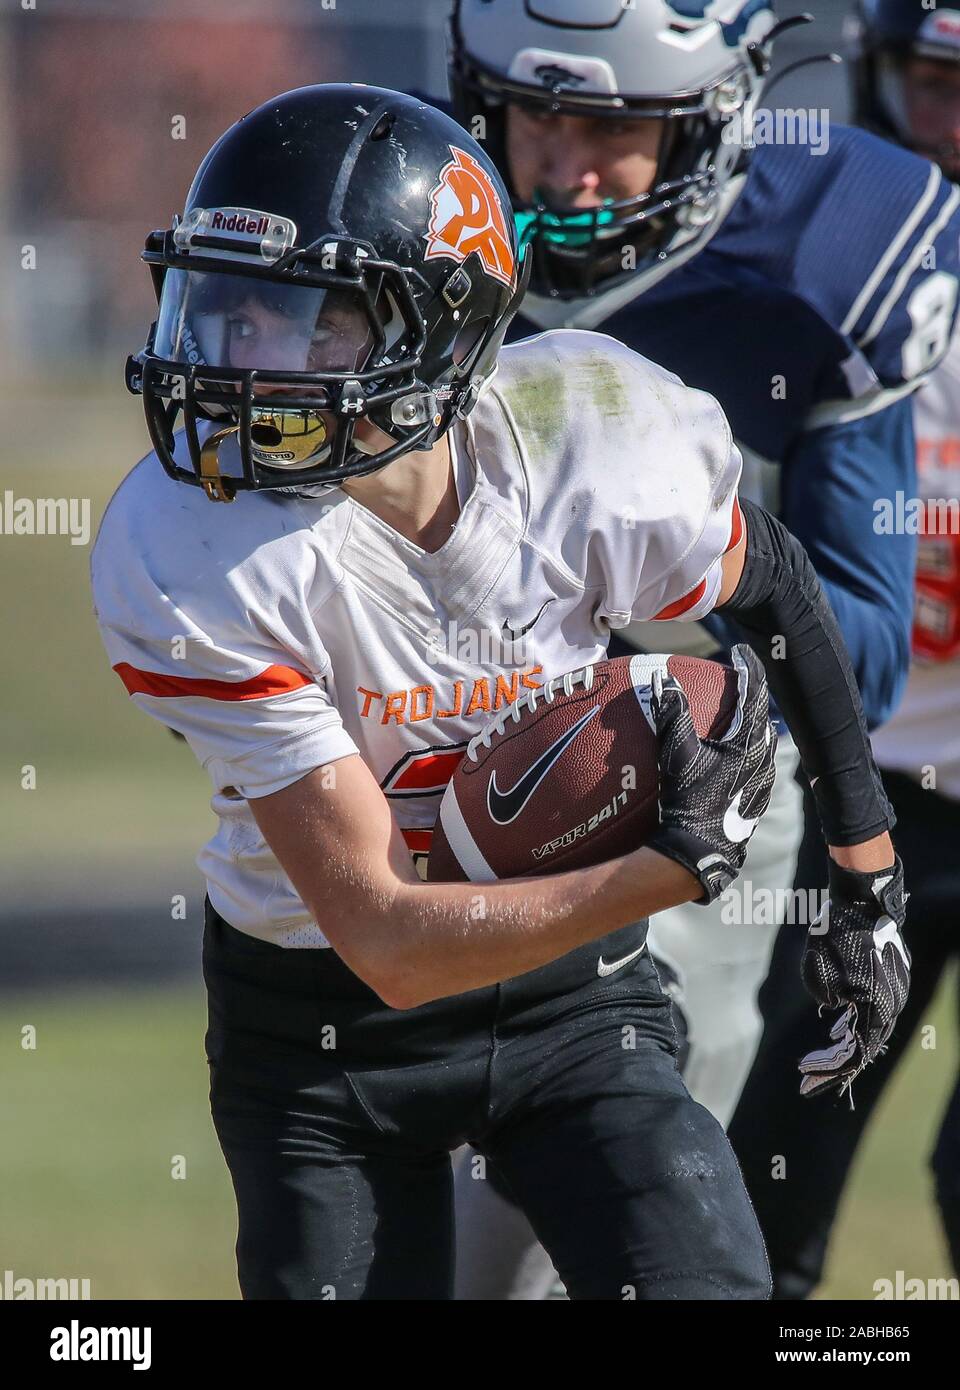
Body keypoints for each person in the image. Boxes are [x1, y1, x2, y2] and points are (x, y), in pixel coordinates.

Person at [92, 83, 906, 1301]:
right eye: (229, 311)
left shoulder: (591, 427)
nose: (243, 364)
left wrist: (865, 869)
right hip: (325, 1033)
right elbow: (385, 940)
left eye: (310, 321)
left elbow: (773, 579)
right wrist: (678, 867)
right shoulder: (194, 549)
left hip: (573, 1003)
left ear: (442, 330)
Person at [444, 0, 956, 1297]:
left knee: (573, 1241)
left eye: (612, 123)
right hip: (413, 762)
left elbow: (866, 650)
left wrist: (659, 601)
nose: (561, 166)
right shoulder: (418, 219)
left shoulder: (823, 258)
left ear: (718, 114)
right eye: (536, 113)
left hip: (672, 796)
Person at [727, 0, 960, 1300]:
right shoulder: (842, 271)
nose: (957, 122)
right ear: (882, 76)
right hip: (873, 798)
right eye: (936, 81)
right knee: (773, 1185)